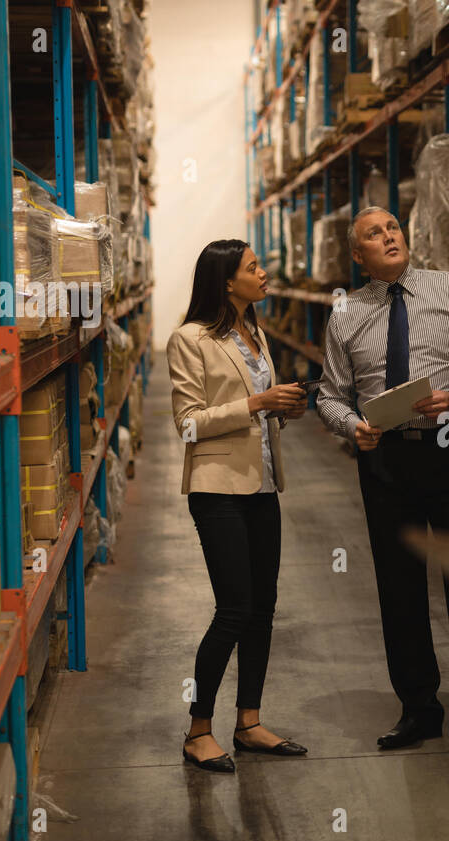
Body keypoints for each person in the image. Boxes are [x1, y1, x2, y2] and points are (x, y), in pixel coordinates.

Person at [317, 206, 449, 767]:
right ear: (358, 256)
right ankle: (419, 708)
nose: (388, 238)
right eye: (373, 235)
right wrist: (349, 424)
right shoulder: (344, 314)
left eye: (393, 229)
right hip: (386, 464)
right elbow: (330, 393)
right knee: (399, 588)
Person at [166, 239, 310, 773]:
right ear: (227, 282)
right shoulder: (189, 339)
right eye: (254, 268)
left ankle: (248, 721)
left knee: (263, 609)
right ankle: (198, 728)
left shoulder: (256, 334)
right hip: (217, 487)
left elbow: (258, 411)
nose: (264, 273)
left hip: (263, 484)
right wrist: (256, 403)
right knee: (234, 610)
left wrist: (282, 409)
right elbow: (187, 422)